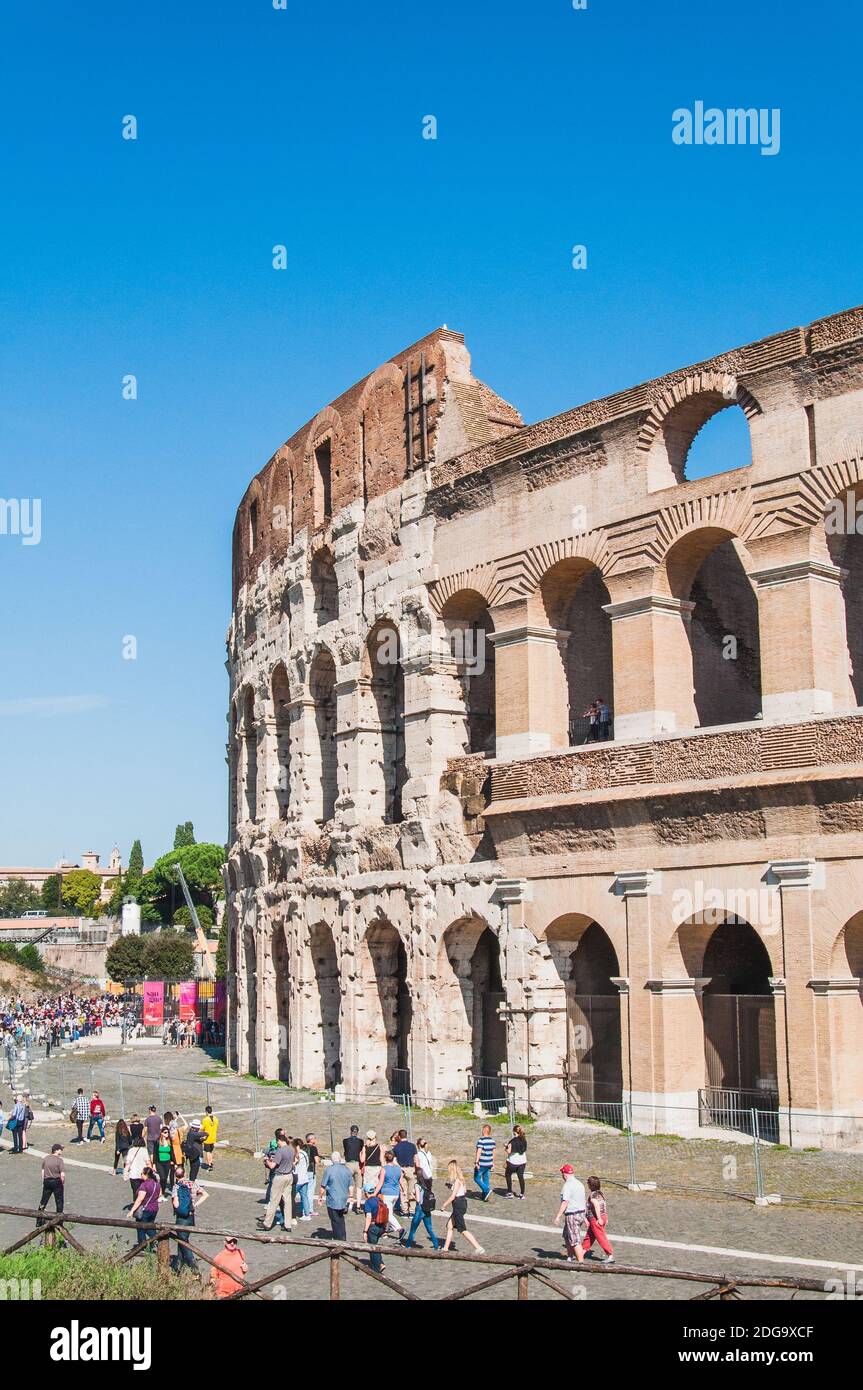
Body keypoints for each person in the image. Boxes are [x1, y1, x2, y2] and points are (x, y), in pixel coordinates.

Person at [170, 1163, 208, 1273]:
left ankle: (194, 1268)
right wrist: (195, 1205)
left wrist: (177, 1206)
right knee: (181, 1241)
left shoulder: (176, 1186)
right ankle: (178, 1267)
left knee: (183, 1242)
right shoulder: (193, 1184)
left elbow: (176, 1204)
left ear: (176, 1176)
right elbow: (205, 1194)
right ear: (185, 1173)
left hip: (181, 1218)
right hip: (191, 1217)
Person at [441, 1160, 485, 1254]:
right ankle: (445, 1248)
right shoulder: (461, 1179)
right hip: (462, 1203)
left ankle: (478, 1247)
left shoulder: (457, 1181)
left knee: (462, 1230)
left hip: (458, 1205)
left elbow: (453, 1196)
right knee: (449, 1226)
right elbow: (463, 1191)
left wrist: (444, 1205)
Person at [404, 1139, 439, 1250]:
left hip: (420, 1209)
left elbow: (418, 1200)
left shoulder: (417, 1186)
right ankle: (436, 1245)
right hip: (427, 1209)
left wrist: (411, 1197)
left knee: (413, 1229)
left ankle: (408, 1245)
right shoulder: (427, 1185)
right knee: (430, 1229)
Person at [258, 1133, 295, 1232]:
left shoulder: (280, 1151)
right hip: (289, 1175)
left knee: (274, 1200)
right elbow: (293, 1163)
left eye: (277, 1142)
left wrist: (266, 1160)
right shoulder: (291, 1150)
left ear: (279, 1140)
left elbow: (272, 1166)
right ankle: (288, 1224)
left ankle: (267, 1223)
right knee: (287, 1201)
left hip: (280, 1177)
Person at [553, 1164, 586, 1262]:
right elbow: (583, 1201)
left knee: (575, 1240)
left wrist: (558, 1216)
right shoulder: (580, 1184)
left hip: (572, 1214)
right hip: (581, 1213)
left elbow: (565, 1202)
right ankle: (570, 1256)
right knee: (567, 1235)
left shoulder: (567, 1185)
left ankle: (581, 1262)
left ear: (565, 1174)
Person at [318, 1151, 351, 1241]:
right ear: (340, 1159)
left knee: (335, 1220)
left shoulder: (329, 1170)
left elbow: (323, 1186)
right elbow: (350, 1185)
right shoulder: (346, 1170)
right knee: (341, 1219)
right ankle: (343, 1237)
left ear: (332, 1160)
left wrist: (320, 1197)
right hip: (344, 1199)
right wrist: (350, 1196)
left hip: (333, 1199)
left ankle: (338, 1239)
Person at [373, 1149, 404, 1238]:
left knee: (387, 1214)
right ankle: (385, 1230)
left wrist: (374, 1193)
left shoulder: (384, 1169)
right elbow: (401, 1181)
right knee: (389, 1212)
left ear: (385, 1159)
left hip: (387, 1193)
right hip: (395, 1193)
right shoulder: (398, 1168)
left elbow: (380, 1183)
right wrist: (403, 1191)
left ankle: (399, 1229)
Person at [582, 1175, 614, 1263]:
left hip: (595, 1219)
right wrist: (605, 1217)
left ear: (590, 1185)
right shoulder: (600, 1193)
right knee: (589, 1236)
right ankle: (581, 1252)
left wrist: (599, 1218)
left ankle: (610, 1254)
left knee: (601, 1237)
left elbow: (596, 1205)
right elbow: (604, 1204)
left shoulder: (592, 1196)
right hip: (602, 1216)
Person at [129, 1164, 162, 1248]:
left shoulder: (144, 1185)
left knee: (141, 1228)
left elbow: (139, 1199)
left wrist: (132, 1210)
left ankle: (142, 1245)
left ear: (146, 1174)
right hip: (154, 1209)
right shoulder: (156, 1183)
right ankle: (155, 1240)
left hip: (145, 1209)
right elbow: (160, 1194)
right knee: (150, 1226)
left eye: (141, 1174)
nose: (141, 1175)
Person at [362, 1177, 389, 1273]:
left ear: (366, 1193)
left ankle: (377, 1266)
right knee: (375, 1245)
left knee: (372, 1247)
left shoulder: (368, 1203)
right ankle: (379, 1263)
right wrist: (385, 1229)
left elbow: (368, 1217)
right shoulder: (379, 1200)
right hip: (381, 1226)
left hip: (373, 1227)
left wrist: (365, 1231)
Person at [37, 1143, 65, 1225]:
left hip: (47, 1181)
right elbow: (62, 1174)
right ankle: (59, 1220)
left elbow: (43, 1171)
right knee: (59, 1201)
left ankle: (38, 1220)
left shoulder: (46, 1158)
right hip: (56, 1181)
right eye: (60, 1149)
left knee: (43, 1201)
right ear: (56, 1150)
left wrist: (44, 1181)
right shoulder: (59, 1160)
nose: (61, 1151)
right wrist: (62, 1182)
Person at [393, 1129, 418, 1214]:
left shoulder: (396, 1147)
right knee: (412, 1190)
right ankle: (412, 1210)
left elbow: (394, 1160)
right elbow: (416, 1159)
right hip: (411, 1169)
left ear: (399, 1137)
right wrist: (417, 1169)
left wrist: (400, 1168)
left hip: (401, 1170)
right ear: (406, 1135)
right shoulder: (412, 1146)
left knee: (403, 1190)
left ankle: (404, 1210)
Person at [342, 1125, 365, 1213]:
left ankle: (346, 1205)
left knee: (348, 1185)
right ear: (357, 1132)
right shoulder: (361, 1141)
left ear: (350, 1131)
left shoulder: (345, 1141)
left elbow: (346, 1150)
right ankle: (358, 1206)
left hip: (348, 1164)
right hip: (357, 1164)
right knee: (359, 1186)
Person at [123, 1135, 150, 1204]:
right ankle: (142, 1204)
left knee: (135, 1191)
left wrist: (125, 1172)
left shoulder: (131, 1150)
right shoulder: (144, 1150)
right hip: (143, 1174)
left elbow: (128, 1163)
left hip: (133, 1174)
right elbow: (148, 1162)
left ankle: (136, 1204)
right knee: (144, 1191)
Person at [503, 1124, 528, 1199]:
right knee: (521, 1177)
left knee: (508, 1175)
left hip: (513, 1162)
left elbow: (509, 1151)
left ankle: (510, 1192)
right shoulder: (524, 1139)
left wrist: (505, 1147)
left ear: (514, 1132)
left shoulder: (513, 1141)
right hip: (522, 1161)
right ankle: (522, 1194)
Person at [474, 1124, 495, 1202]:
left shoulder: (481, 1140)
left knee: (476, 1178)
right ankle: (485, 1196)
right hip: (489, 1163)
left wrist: (476, 1162)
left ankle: (487, 1190)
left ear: (484, 1130)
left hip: (482, 1163)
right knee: (486, 1179)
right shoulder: (492, 1141)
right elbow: (493, 1152)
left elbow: (479, 1151)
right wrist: (493, 1163)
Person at [294, 1138, 312, 1220]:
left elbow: (293, 1165)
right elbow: (307, 1164)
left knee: (290, 1197)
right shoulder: (305, 1153)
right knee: (304, 1196)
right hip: (305, 1178)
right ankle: (307, 1214)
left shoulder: (298, 1155)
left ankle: (289, 1214)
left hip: (298, 1179)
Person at [155, 1125, 175, 1197]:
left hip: (167, 1162)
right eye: (165, 1132)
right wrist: (154, 1164)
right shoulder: (157, 1142)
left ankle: (162, 1193)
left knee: (165, 1179)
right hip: (159, 1162)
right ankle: (159, 1192)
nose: (167, 1134)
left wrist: (173, 1161)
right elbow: (155, 1153)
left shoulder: (169, 1141)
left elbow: (172, 1152)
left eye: (168, 1132)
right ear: (161, 1133)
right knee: (162, 1177)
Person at [201, 1105, 219, 1172]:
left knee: (208, 1152)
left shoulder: (205, 1120)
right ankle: (211, 1163)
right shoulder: (216, 1119)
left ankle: (210, 1165)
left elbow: (202, 1128)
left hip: (207, 1139)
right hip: (213, 1138)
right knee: (211, 1151)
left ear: (206, 1111)